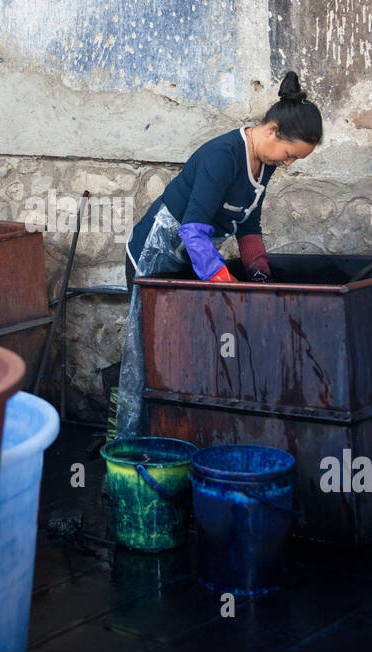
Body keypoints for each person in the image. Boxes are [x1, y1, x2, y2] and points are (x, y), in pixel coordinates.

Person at [114, 71, 323, 436]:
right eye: (290, 155)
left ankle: (180, 437)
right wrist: (220, 280)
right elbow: (193, 226)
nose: (288, 164)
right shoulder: (222, 156)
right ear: (272, 130)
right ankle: (132, 448)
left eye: (295, 160)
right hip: (155, 256)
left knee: (185, 351)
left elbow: (249, 223)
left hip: (191, 259)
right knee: (146, 358)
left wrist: (259, 274)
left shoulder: (266, 162)